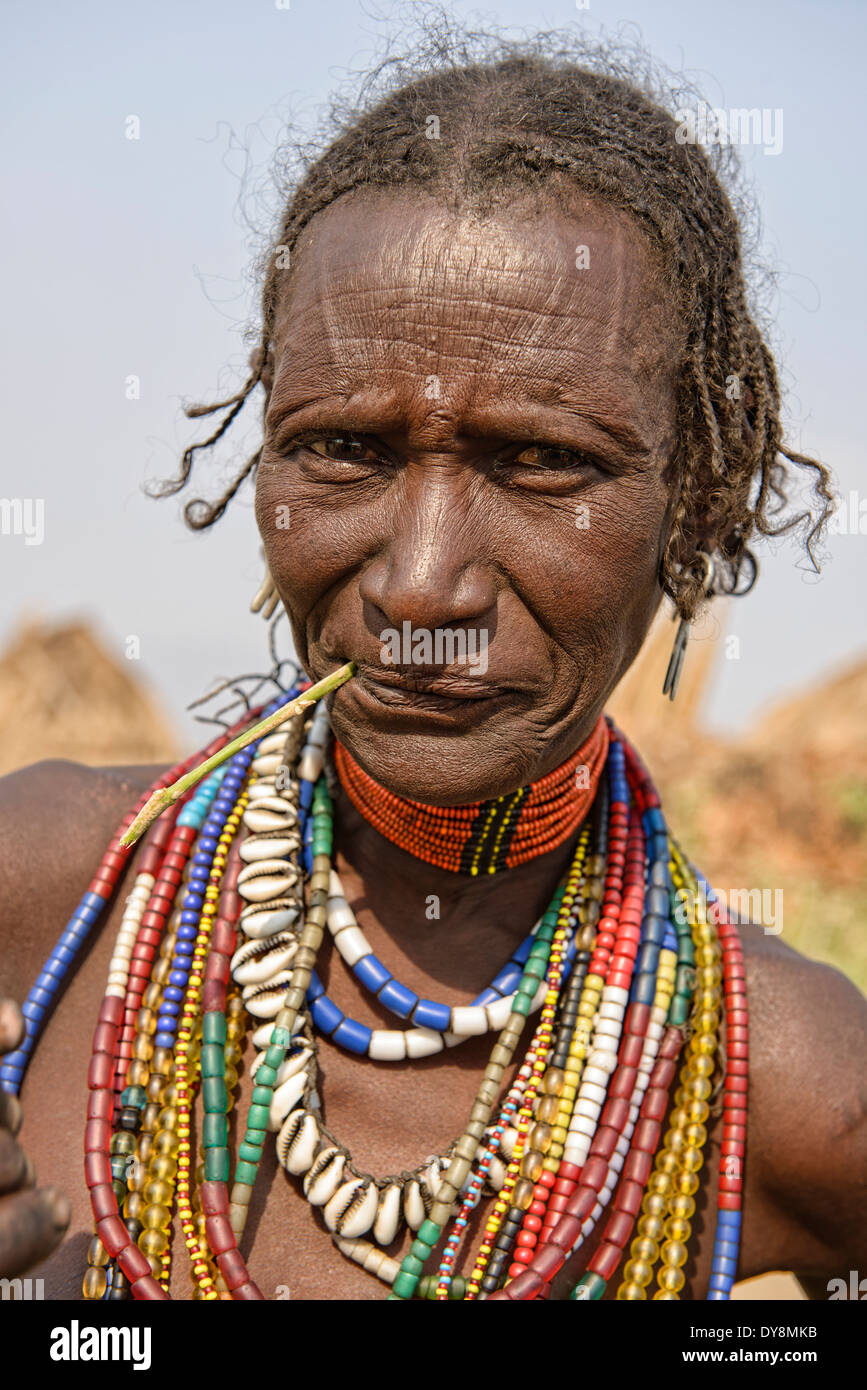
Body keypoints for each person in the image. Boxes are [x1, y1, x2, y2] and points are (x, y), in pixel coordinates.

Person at [1, 27, 864, 1303]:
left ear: (701, 504)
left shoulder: (797, 1088)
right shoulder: (40, 908)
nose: (419, 585)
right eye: (343, 446)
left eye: (539, 462)